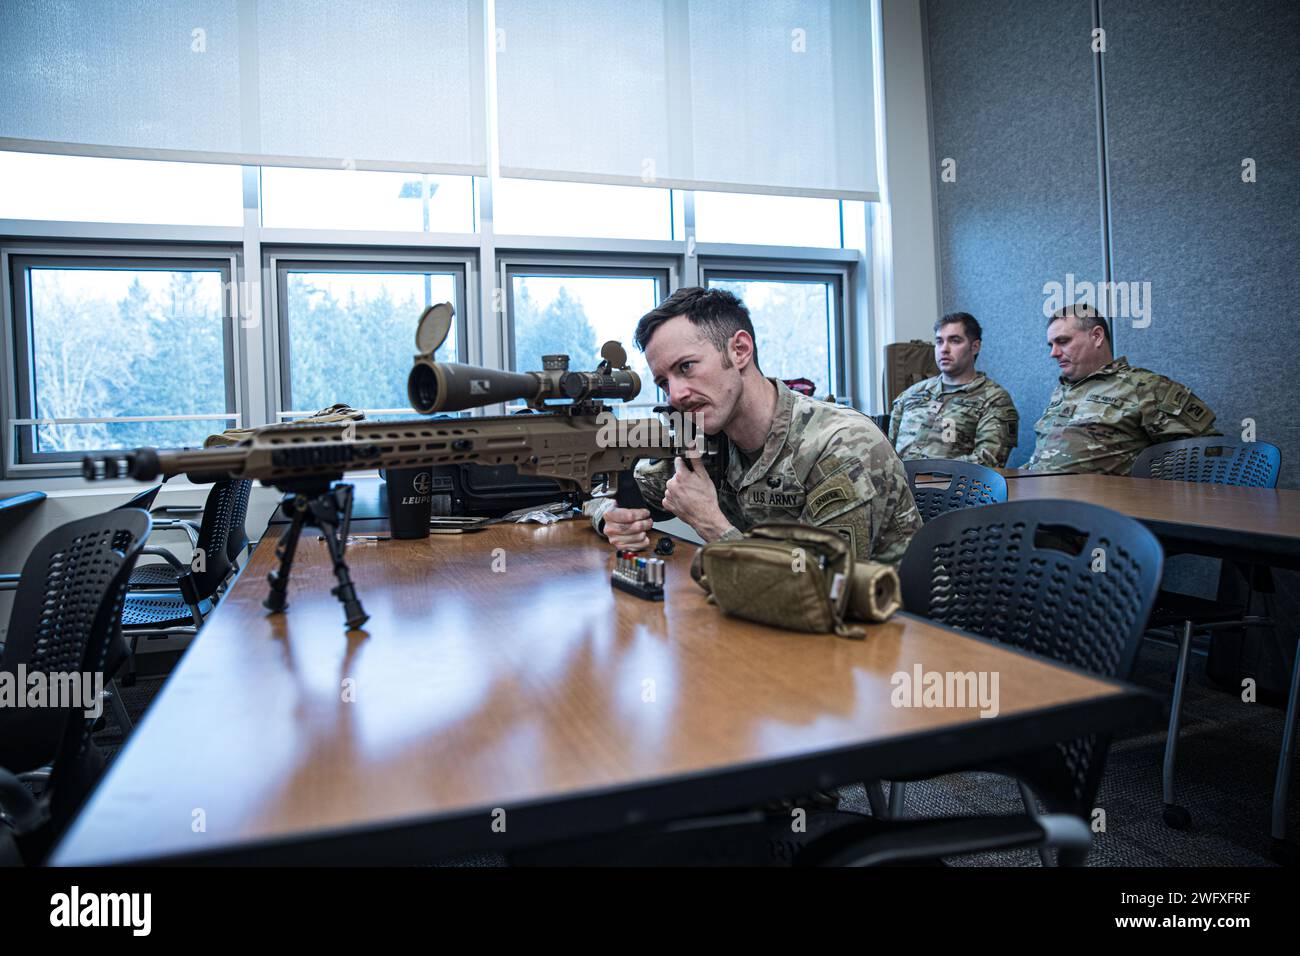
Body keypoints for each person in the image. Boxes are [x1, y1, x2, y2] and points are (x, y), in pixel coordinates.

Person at [588, 287, 921, 563]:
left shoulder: (842, 445)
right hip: (762, 610)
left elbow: (821, 586)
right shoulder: (707, 438)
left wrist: (711, 523)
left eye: (686, 367)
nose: (675, 395)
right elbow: (605, 496)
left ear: (740, 350)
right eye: (664, 382)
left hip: (876, 620)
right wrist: (612, 519)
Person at [1025, 304, 1217, 474]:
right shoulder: (1062, 391)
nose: (1053, 353)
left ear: (1097, 336)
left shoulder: (1145, 387)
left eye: (1063, 341)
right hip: (1039, 497)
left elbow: (1208, 452)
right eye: (1051, 345)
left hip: (1102, 502)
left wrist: (1145, 487)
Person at [888, 312, 1019, 467]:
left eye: (955, 341)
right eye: (939, 341)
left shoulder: (994, 399)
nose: (944, 349)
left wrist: (928, 471)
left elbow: (987, 462)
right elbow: (888, 452)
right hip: (901, 482)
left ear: (975, 347)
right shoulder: (912, 394)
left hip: (952, 482)